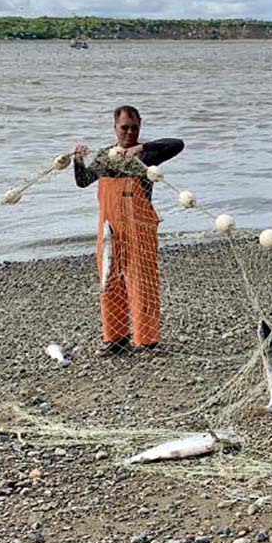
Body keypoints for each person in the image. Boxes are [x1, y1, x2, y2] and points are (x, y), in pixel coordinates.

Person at [73, 106, 183, 356]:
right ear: (115, 128)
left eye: (134, 127)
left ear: (140, 126)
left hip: (140, 228)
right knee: (109, 281)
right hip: (110, 229)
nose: (130, 132)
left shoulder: (147, 155)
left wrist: (141, 147)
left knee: (142, 283)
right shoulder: (105, 157)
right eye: (124, 127)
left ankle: (147, 340)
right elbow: (82, 181)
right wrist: (77, 160)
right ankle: (116, 339)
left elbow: (177, 144)